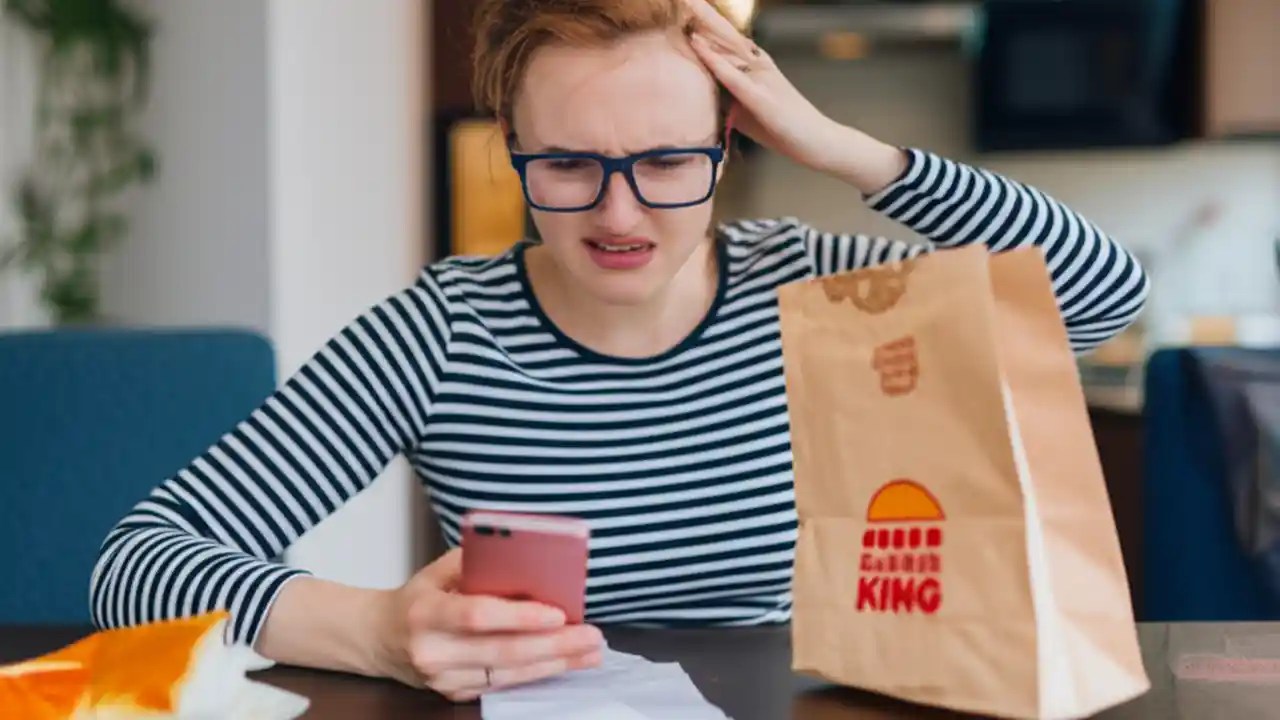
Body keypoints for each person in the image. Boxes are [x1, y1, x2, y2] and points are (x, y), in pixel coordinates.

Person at [89, 0, 1149, 703]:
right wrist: (375, 629)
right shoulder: (444, 329)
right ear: (511, 146)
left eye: (664, 160)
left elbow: (1100, 295)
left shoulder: (817, 292)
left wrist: (846, 152)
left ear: (728, 144)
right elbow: (136, 564)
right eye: (567, 163)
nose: (618, 213)